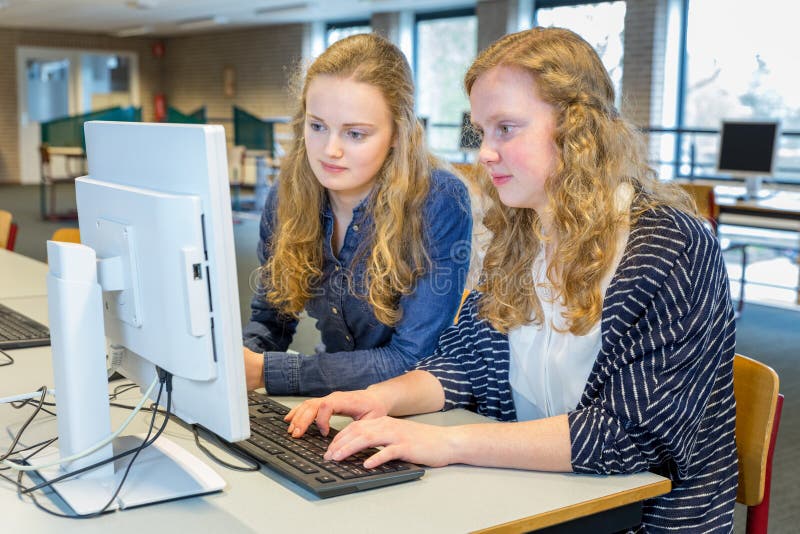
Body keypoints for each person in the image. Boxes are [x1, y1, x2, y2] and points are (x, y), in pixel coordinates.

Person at [285, 27, 737, 532]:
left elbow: (628, 436)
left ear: (577, 131)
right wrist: (381, 397)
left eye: (506, 129)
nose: (484, 153)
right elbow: (468, 361)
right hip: (538, 498)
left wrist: (449, 443)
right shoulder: (523, 230)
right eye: (482, 131)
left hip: (637, 520)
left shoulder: (672, 246)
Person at [242, 33, 472, 397]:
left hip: (412, 409)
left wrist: (268, 372)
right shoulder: (287, 194)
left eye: (355, 134)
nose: (329, 150)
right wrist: (236, 369)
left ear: (398, 133)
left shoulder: (438, 200)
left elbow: (411, 357)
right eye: (317, 126)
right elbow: (271, 318)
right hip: (331, 396)